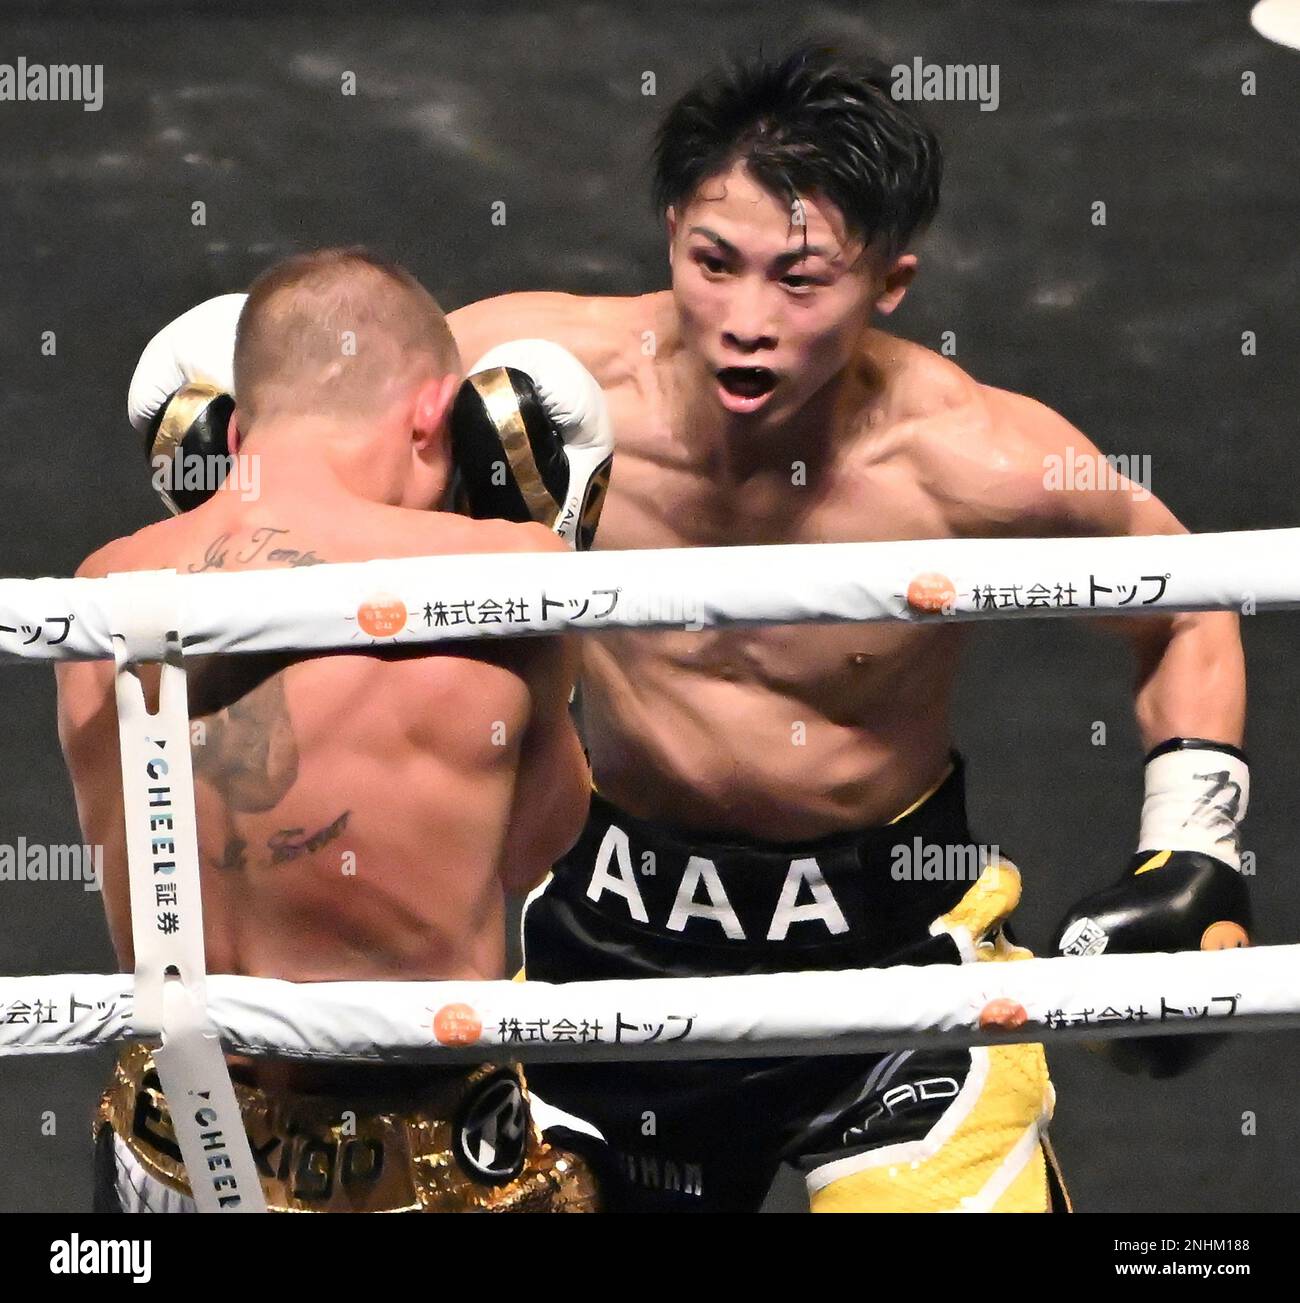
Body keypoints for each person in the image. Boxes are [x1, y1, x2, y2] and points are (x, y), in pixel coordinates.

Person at [130, 46, 1252, 1214]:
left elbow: (1188, 597)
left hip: (890, 969)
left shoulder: (976, 462)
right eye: (712, 263)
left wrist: (1194, 844)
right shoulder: (536, 382)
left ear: (892, 281)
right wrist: (241, 461)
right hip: (596, 960)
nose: (745, 322)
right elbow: (316, 421)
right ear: (670, 232)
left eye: (800, 280)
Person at [59, 247, 604, 1213]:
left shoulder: (108, 584)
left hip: (169, 1140)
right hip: (413, 1153)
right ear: (437, 415)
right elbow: (536, 843)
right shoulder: (505, 570)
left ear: (231, 429)